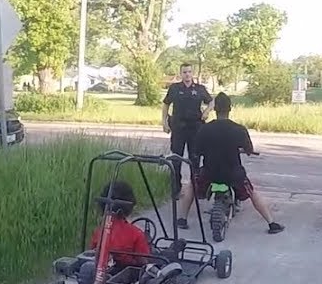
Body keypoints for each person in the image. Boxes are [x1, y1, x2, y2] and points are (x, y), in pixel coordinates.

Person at [176, 92, 285, 235]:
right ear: (230, 109)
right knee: (252, 192)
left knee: (191, 184)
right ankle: (271, 223)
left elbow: (196, 152)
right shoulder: (239, 129)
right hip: (234, 173)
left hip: (210, 172)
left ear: (215, 110)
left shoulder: (204, 129)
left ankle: (182, 219)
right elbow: (248, 150)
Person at [161, 62, 213, 197]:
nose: (187, 74)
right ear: (180, 74)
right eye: (184, 72)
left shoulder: (200, 89)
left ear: (193, 73)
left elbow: (212, 101)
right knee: (176, 158)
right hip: (178, 127)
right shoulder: (174, 88)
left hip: (195, 128)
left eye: (189, 72)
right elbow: (166, 104)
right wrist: (164, 122)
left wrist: (207, 111)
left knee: (194, 159)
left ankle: (196, 189)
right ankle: (175, 189)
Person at [89, 179, 154, 268]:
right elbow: (144, 261)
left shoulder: (99, 232)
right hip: (126, 277)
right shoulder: (136, 234)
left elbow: (92, 251)